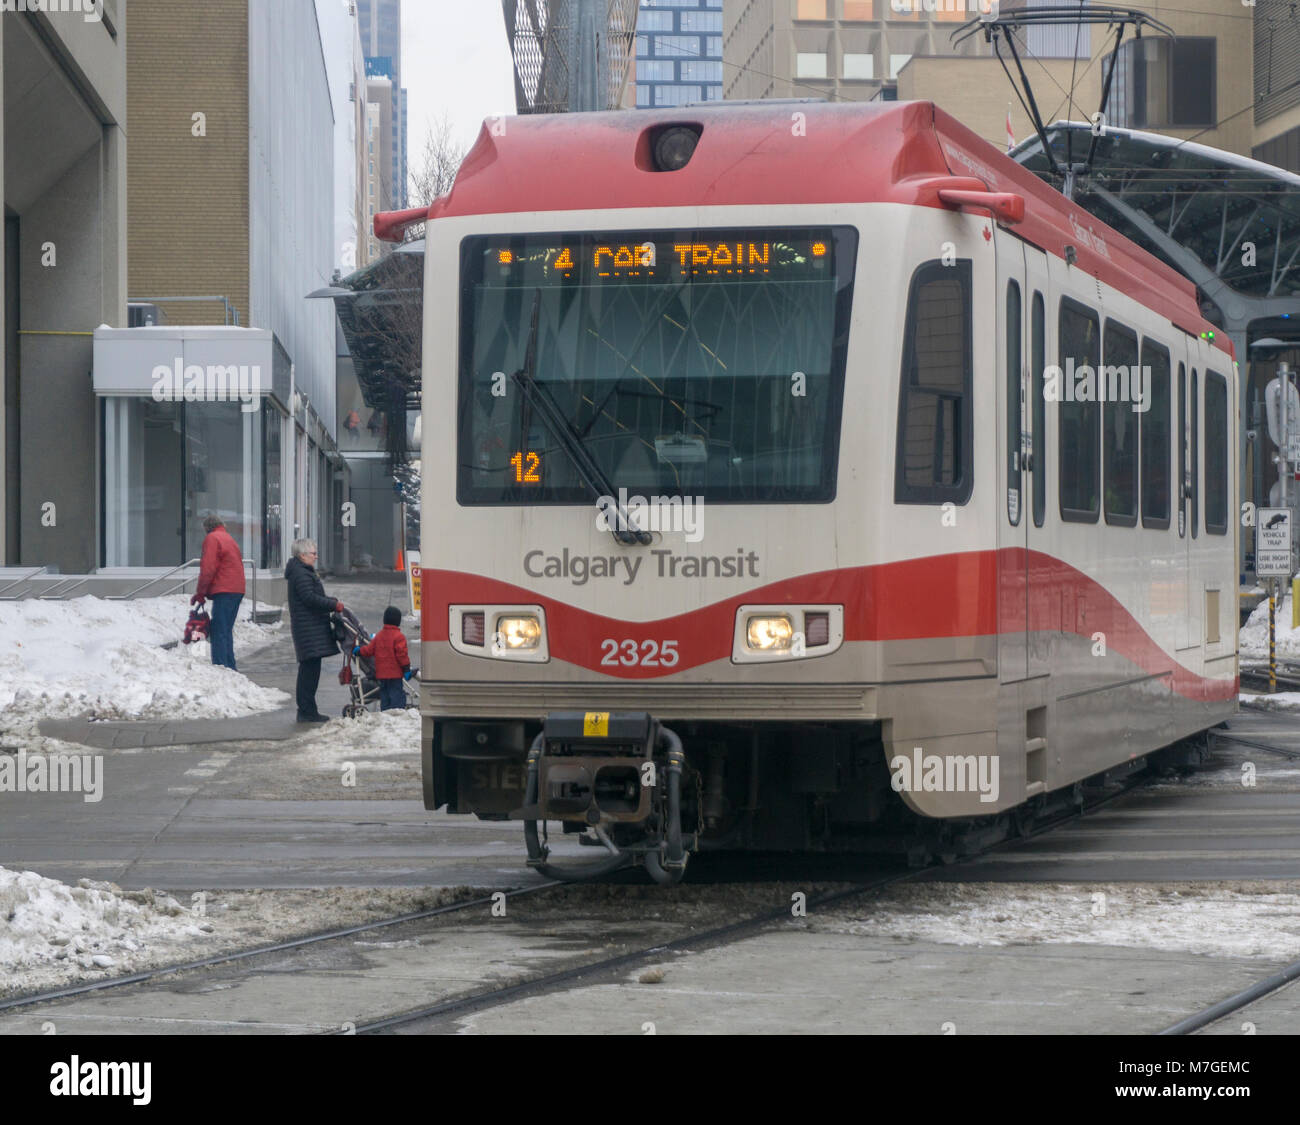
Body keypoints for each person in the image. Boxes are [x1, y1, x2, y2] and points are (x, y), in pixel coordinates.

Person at [285, 538, 343, 723]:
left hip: (310, 627)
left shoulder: (302, 571)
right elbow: (310, 598)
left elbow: (313, 596)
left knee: (310, 669)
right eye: (313, 554)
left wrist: (330, 601)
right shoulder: (301, 574)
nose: (316, 557)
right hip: (307, 628)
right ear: (302, 555)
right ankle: (307, 711)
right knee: (309, 671)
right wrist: (332, 604)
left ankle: (308, 709)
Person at [193, 515, 246, 671]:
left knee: (219, 631)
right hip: (237, 588)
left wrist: (200, 592)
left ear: (206, 528)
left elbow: (208, 568)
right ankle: (230, 666)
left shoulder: (212, 539)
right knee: (225, 629)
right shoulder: (228, 538)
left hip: (225, 589)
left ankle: (221, 668)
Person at [356, 606, 412, 711]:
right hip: (395, 675)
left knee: (385, 695)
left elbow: (369, 650)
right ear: (398, 621)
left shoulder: (379, 636)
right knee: (396, 696)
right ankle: (397, 714)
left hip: (381, 675)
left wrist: (359, 651)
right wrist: (406, 669)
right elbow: (402, 655)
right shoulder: (399, 637)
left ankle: (385, 713)